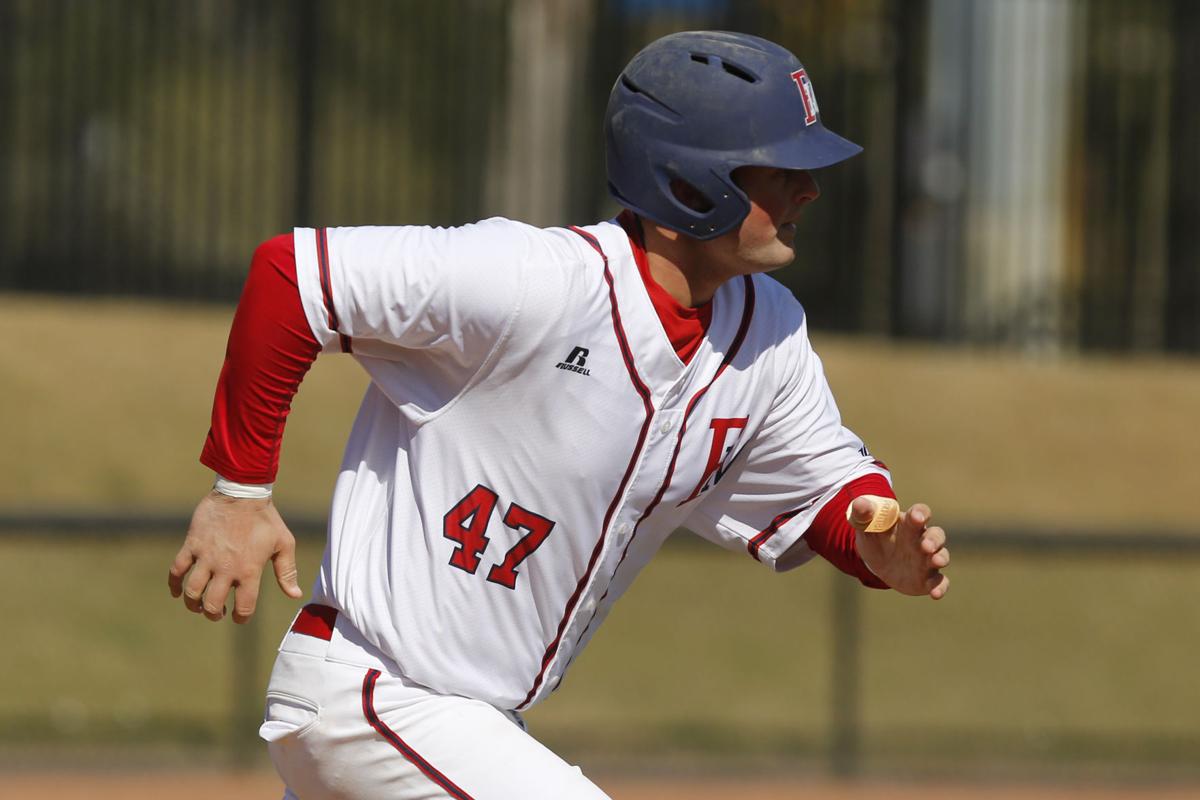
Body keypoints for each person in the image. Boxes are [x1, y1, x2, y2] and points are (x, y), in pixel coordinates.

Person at [168, 30, 950, 799]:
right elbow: (291, 277)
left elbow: (829, 490)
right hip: (378, 694)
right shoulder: (534, 282)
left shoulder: (766, 334)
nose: (807, 190)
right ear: (690, 182)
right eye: (779, 170)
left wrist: (878, 545)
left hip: (468, 724)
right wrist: (240, 490)